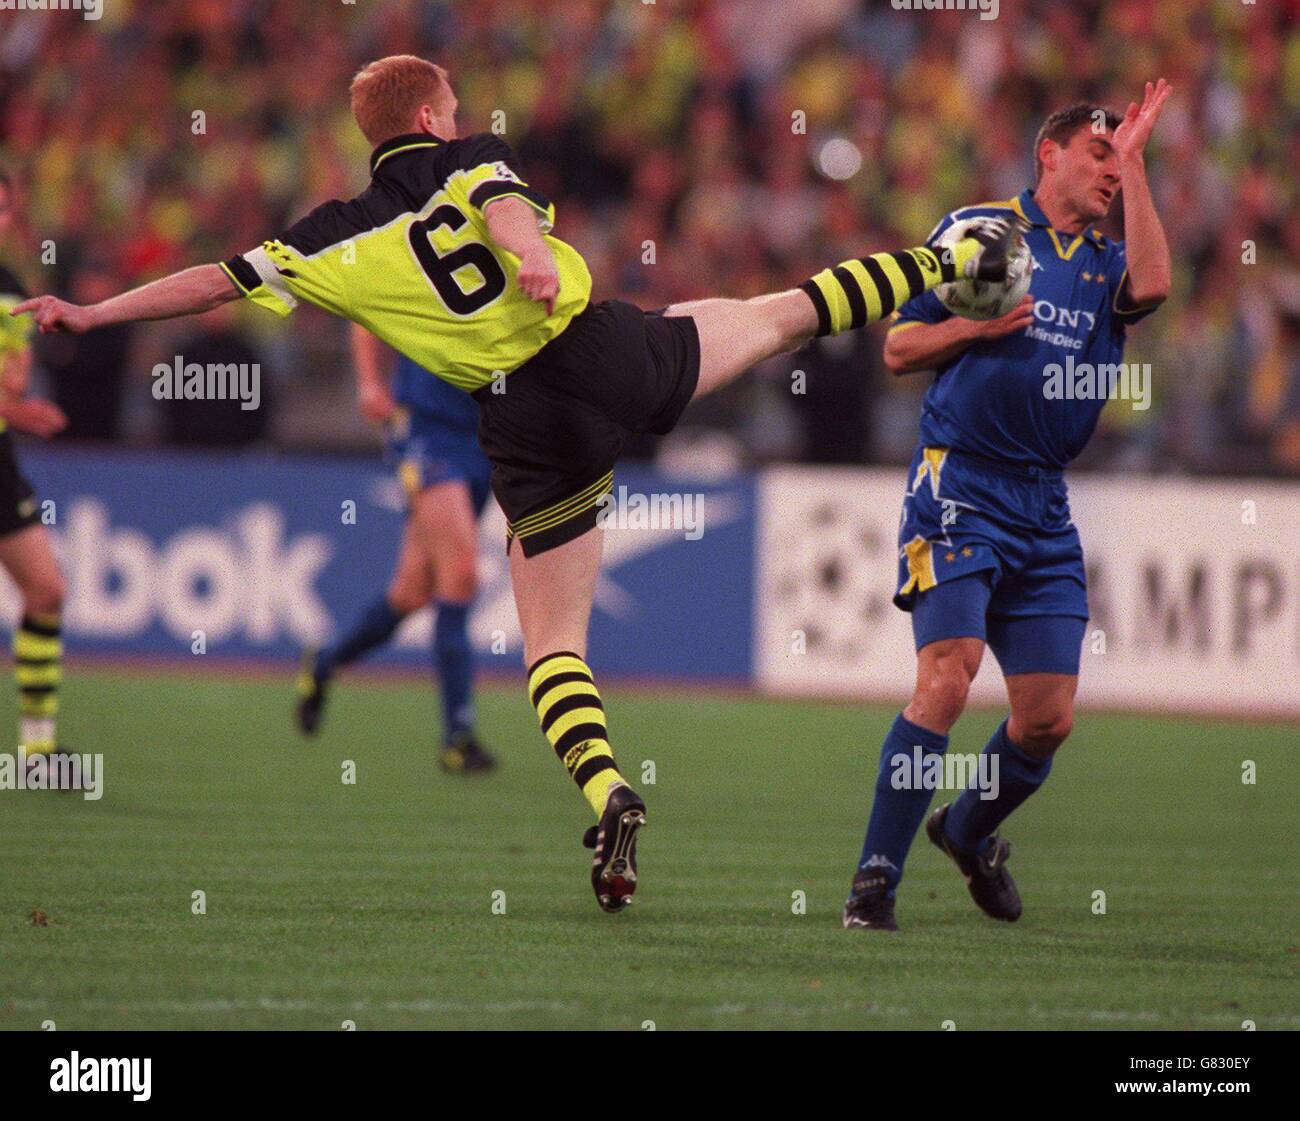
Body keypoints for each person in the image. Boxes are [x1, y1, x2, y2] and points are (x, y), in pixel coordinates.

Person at [13, 55, 1014, 913]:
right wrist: (533, 256)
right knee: (780, 314)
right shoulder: (468, 155)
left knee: (551, 645)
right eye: (447, 106)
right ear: (425, 117)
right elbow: (499, 207)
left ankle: (609, 792)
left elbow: (213, 279)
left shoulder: (327, 232)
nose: (454, 117)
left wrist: (95, 315)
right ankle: (949, 255)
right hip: (597, 346)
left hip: (523, 424)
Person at [842, 84, 1172, 932]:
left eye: (1121, 158)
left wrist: (1136, 164)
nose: (1110, 170)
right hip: (959, 483)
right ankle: (874, 880)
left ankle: (966, 828)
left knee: (1047, 718)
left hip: (1044, 503)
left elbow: (1159, 283)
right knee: (947, 675)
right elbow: (897, 344)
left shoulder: (1107, 262)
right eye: (1099, 154)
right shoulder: (980, 232)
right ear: (1048, 155)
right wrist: (974, 332)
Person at [297, 327, 497, 775]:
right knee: (462, 573)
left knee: (411, 592)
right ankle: (458, 736)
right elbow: (366, 317)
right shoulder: (426, 260)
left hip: (486, 435)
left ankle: (325, 663)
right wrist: (370, 383)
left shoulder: (519, 267)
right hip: (427, 432)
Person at [0, 171, 72, 771]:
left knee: (46, 591)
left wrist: (13, 404)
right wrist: (12, 405)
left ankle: (36, 745)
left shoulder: (10, 286)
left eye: (3, 211)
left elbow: (16, 376)